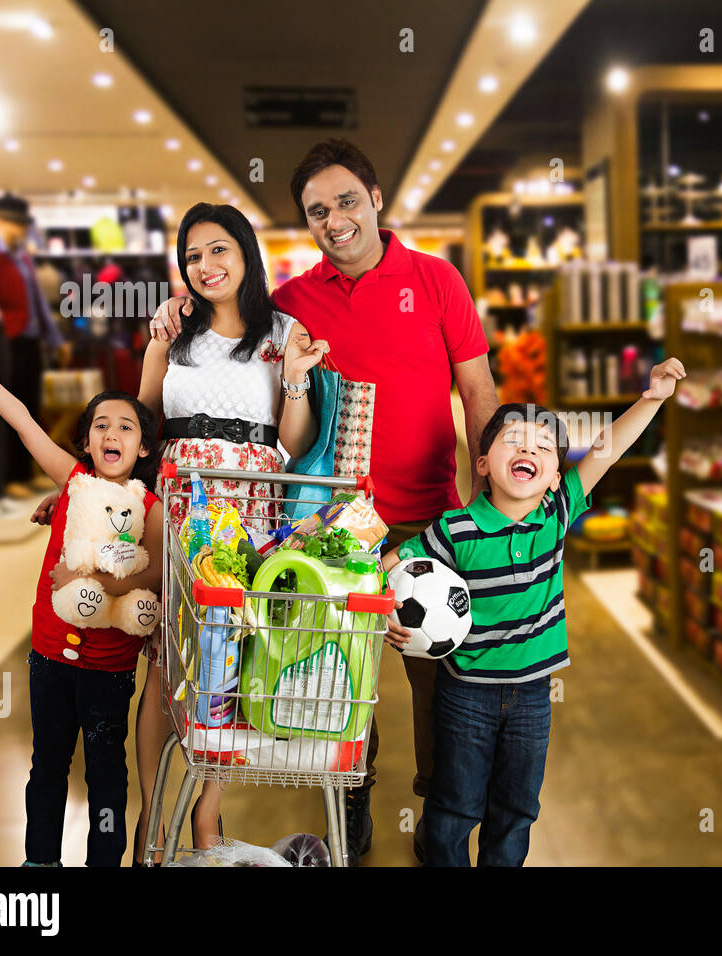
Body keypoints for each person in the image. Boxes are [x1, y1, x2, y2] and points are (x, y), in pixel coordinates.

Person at [148, 138, 499, 862]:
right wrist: (178, 306)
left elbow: (478, 393)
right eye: (316, 211)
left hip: (432, 516)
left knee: (443, 680)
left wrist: (487, 504)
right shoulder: (292, 304)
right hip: (330, 525)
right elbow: (232, 323)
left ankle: (441, 822)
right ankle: (354, 798)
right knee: (340, 674)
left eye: (345, 201)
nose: (334, 220)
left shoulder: (437, 281)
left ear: (375, 198)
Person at [35, 202, 329, 861]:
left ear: (247, 255)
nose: (206, 266)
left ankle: (207, 812)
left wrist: (299, 379)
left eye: (218, 250)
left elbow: (294, 439)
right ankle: (149, 817)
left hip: (249, 510)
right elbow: (140, 424)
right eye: (193, 256)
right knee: (168, 663)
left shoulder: (284, 330)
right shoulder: (173, 329)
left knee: (222, 666)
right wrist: (85, 489)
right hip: (176, 503)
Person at [383, 359, 687, 866]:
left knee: (518, 806)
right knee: (455, 805)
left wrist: (652, 398)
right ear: (482, 464)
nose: (529, 449)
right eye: (514, 441)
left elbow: (607, 451)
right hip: (464, 697)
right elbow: (392, 566)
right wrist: (384, 612)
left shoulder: (557, 512)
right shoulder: (456, 529)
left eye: (544, 447)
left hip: (532, 698)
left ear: (552, 477)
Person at [0, 330, 162, 866]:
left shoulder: (152, 507)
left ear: (143, 446)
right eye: (101, 425)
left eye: (126, 426)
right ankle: (40, 862)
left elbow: (153, 578)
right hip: (48, 660)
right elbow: (22, 420)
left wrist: (84, 576)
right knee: (46, 765)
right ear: (87, 441)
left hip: (108, 670)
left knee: (106, 777)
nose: (111, 433)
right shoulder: (71, 482)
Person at [0, 193, 72, 500]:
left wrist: (55, 340)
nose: (21, 231)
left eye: (24, 225)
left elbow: (37, 303)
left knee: (29, 408)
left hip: (27, 344)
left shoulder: (22, 258)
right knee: (4, 412)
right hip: (1, 343)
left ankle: (25, 471)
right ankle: (7, 476)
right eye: (16, 225)